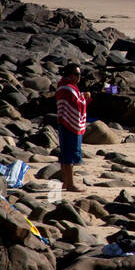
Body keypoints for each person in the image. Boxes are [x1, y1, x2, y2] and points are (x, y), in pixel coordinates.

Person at [55, 64, 87, 193]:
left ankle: (65, 182)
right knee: (70, 154)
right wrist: (84, 98)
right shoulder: (68, 88)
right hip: (69, 124)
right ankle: (70, 184)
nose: (79, 77)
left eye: (79, 74)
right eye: (76, 74)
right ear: (69, 75)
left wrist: (82, 96)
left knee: (65, 153)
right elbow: (77, 105)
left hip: (64, 122)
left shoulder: (64, 86)